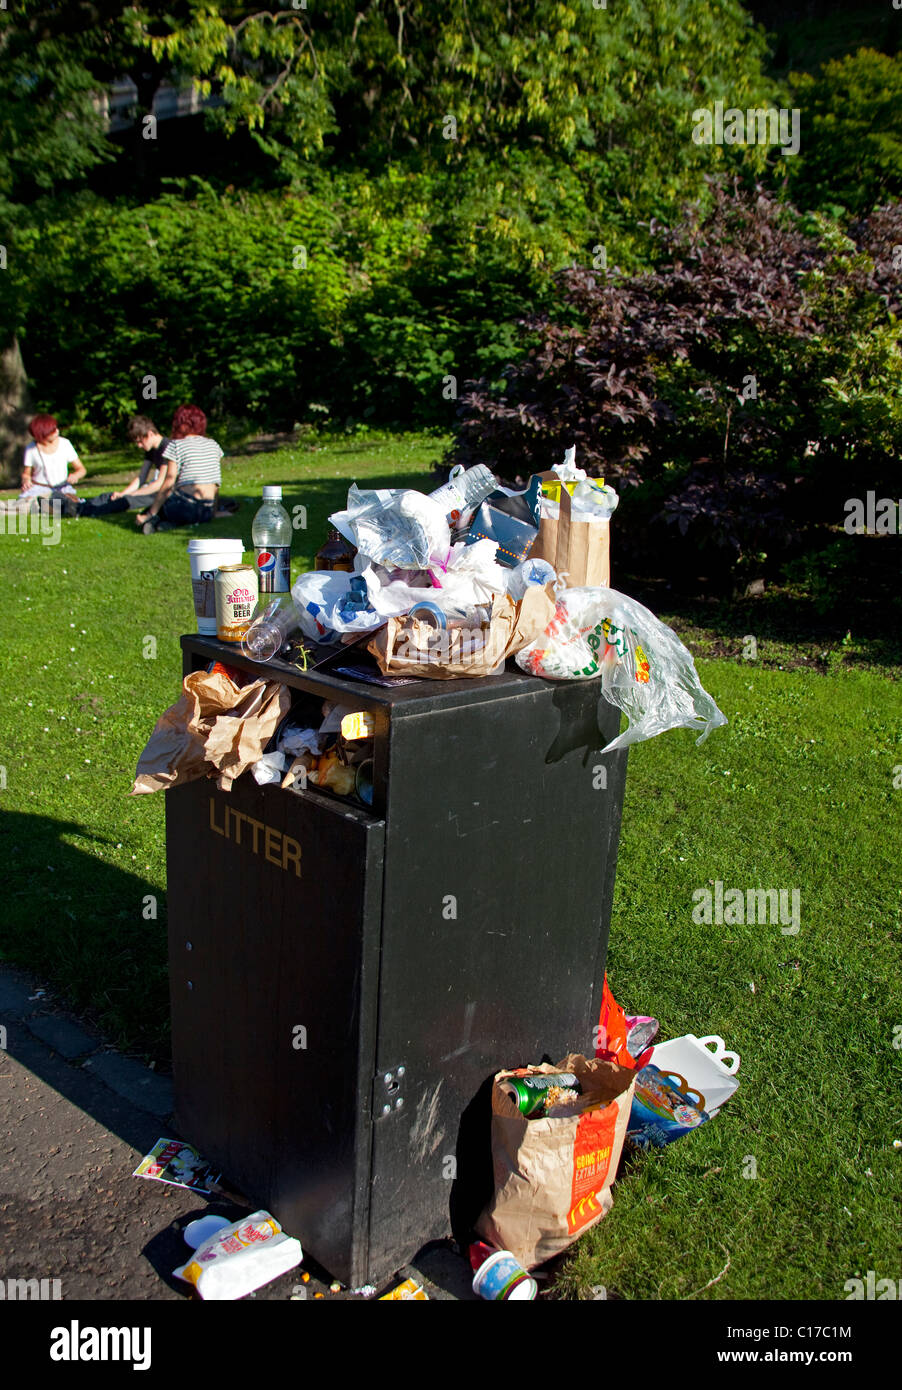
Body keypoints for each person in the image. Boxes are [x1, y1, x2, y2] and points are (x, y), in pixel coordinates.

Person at [137, 404, 223, 534]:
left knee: (155, 510)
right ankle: (168, 524)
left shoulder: (176, 445)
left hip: (182, 506)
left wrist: (150, 513)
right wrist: (214, 512)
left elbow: (169, 482)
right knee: (176, 510)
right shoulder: (214, 445)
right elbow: (216, 484)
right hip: (206, 510)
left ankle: (156, 521)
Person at [73, 415, 171, 518]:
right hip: (151, 490)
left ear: (150, 434)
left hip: (161, 494)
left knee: (124, 501)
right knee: (110, 497)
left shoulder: (166, 448)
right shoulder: (150, 450)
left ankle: (81, 511)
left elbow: (160, 483)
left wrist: (131, 494)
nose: (139, 446)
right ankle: (77, 505)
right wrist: (122, 493)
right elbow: (141, 477)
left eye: (140, 441)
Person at [19, 416, 86, 503]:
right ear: (42, 434)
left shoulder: (65, 444)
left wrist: (75, 475)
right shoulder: (31, 449)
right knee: (25, 505)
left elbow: (81, 469)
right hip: (39, 488)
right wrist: (26, 480)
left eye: (55, 428)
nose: (57, 431)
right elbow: (26, 473)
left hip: (62, 487)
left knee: (69, 503)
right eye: (52, 431)